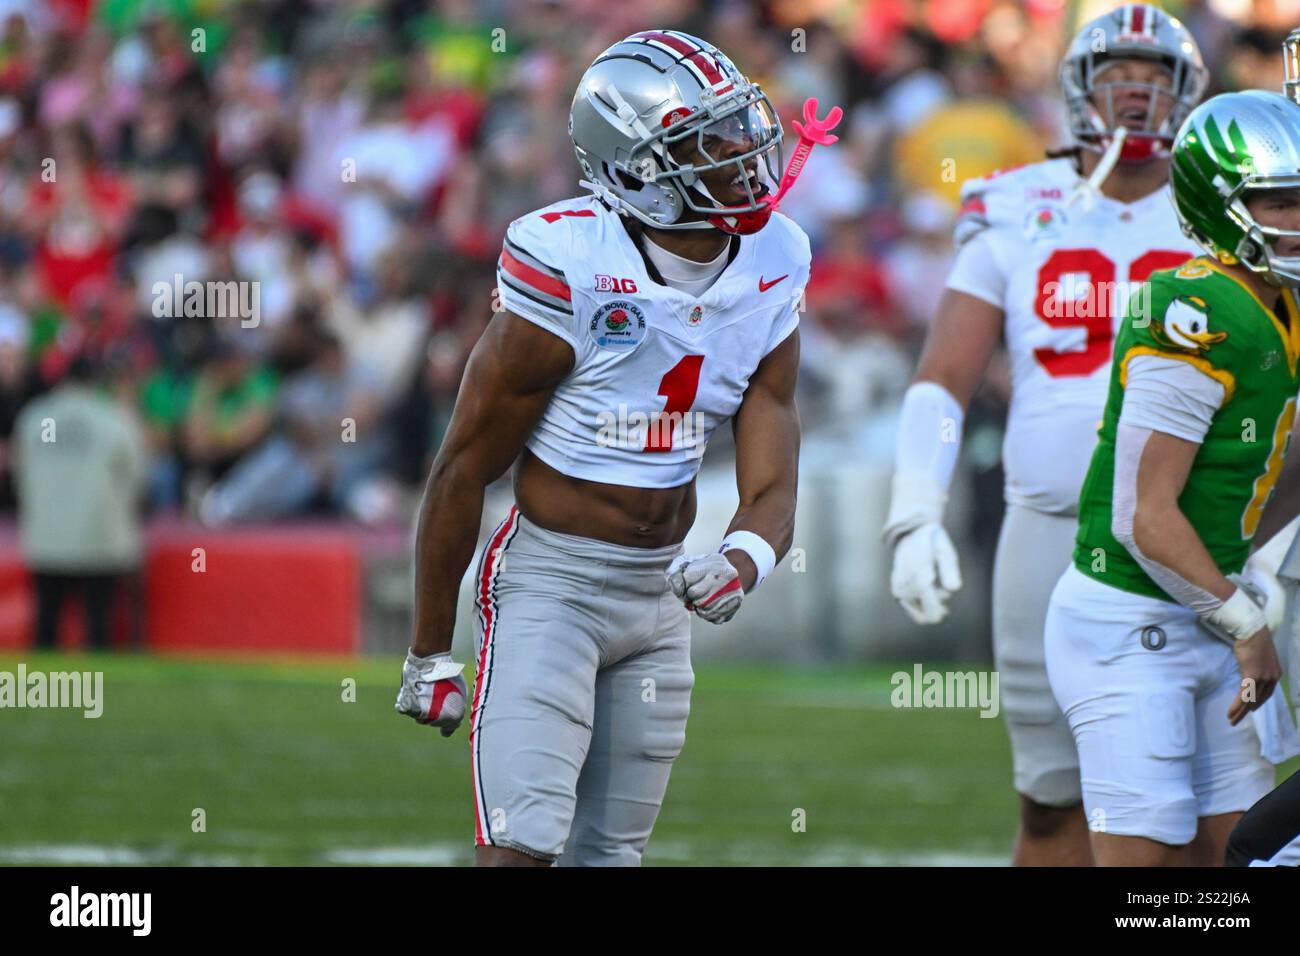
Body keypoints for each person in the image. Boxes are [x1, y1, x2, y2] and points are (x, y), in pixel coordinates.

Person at [395, 30, 809, 867]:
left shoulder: (776, 258)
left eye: (739, 126)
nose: (742, 152)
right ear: (638, 168)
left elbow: (773, 462)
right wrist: (430, 650)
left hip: (660, 598)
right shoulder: (572, 263)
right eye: (709, 139)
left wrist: (742, 559)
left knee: (610, 857)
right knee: (520, 849)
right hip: (554, 586)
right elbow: (463, 467)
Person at [882, 4, 1206, 865]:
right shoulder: (1017, 203)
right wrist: (915, 509)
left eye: (1154, 78)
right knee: (1053, 800)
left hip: (1201, 535)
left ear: (1186, 94)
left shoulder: (1225, 209)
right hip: (1049, 529)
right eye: (1116, 76)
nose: (1135, 95)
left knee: (1204, 811)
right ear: (1079, 90)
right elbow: (943, 377)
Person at [1045, 89, 1300, 867]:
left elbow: (1268, 469)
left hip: (1210, 607)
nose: (1299, 217)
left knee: (1246, 859)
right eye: (1280, 201)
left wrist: (1262, 577)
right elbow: (1143, 518)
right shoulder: (1192, 307)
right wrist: (1250, 628)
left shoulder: (1281, 298)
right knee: (1147, 877)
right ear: (1223, 208)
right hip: (1130, 623)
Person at [12, 352, 146, 650]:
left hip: (47, 539)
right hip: (99, 536)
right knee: (98, 624)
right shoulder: (115, 418)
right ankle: (100, 692)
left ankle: (43, 692)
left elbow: (20, 476)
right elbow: (137, 477)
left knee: (46, 622)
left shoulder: (36, 417)